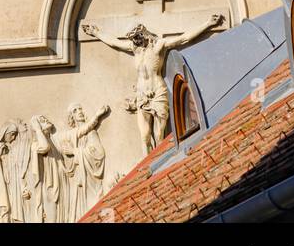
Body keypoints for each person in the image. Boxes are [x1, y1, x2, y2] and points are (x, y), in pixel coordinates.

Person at [82, 13, 224, 154]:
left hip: (157, 93)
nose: (135, 41)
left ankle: (159, 162)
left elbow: (183, 38)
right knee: (145, 136)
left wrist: (208, 24)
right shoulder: (135, 49)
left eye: (137, 37)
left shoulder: (159, 45)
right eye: (132, 39)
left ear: (143, 33)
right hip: (142, 95)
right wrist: (96, 33)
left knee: (159, 135)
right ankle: (145, 169)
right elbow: (114, 42)